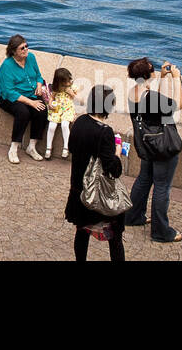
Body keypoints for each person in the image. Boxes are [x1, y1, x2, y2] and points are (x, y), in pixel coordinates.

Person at [124, 57, 182, 243]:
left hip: (146, 144)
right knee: (162, 186)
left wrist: (161, 77)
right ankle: (161, 231)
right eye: (152, 69)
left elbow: (153, 99)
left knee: (144, 178)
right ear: (146, 74)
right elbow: (178, 104)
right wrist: (176, 79)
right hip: (162, 146)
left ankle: (133, 216)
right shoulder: (151, 97)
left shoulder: (134, 93)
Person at [64, 84, 127, 261]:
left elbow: (71, 147)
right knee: (115, 237)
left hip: (78, 189)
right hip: (98, 193)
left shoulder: (79, 121)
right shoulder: (105, 132)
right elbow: (113, 169)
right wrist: (117, 150)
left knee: (82, 231)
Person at [0, 34, 49, 164]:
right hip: (9, 97)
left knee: (42, 111)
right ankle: (14, 147)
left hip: (30, 93)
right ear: (14, 51)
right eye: (22, 48)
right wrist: (31, 102)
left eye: (26, 46)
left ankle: (32, 146)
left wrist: (38, 85)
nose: (26, 49)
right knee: (23, 112)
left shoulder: (31, 57)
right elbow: (9, 91)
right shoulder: (6, 66)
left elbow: (38, 75)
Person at [44, 67, 82, 159]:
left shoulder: (72, 87)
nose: (69, 83)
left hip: (67, 109)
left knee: (65, 125)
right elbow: (52, 97)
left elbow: (81, 100)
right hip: (57, 109)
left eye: (69, 80)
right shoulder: (56, 88)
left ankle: (66, 147)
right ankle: (48, 147)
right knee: (52, 126)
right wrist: (50, 104)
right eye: (66, 81)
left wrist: (71, 93)